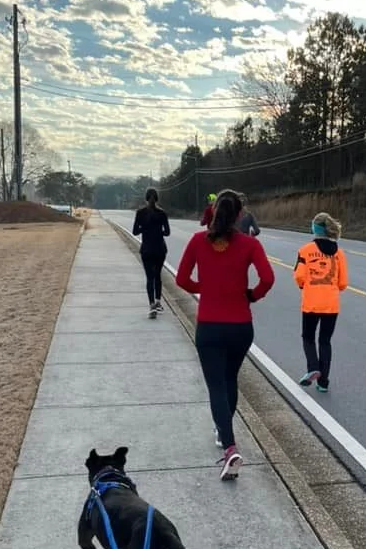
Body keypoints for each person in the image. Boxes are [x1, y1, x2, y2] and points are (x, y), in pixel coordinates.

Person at [176, 189, 274, 481]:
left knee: (216, 385)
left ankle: (229, 446)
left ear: (215, 210)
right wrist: (251, 296)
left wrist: (204, 289)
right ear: (240, 215)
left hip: (210, 325)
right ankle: (224, 432)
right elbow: (267, 278)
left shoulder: (197, 241)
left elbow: (182, 279)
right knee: (230, 379)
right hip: (241, 326)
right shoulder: (249, 244)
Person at [294, 212, 348, 394]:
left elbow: (299, 275)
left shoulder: (305, 250)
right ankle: (323, 382)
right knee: (325, 341)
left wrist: (304, 285)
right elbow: (343, 283)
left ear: (314, 229)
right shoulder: (339, 253)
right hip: (331, 304)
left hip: (311, 301)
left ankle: (313, 367)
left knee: (308, 337)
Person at [133, 188, 170, 319]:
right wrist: (158, 231)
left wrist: (145, 228)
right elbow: (167, 232)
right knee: (158, 275)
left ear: (146, 198)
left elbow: (135, 232)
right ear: (157, 198)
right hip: (160, 248)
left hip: (147, 249)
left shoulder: (140, 213)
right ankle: (159, 301)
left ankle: (151, 305)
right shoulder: (162, 213)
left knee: (149, 278)